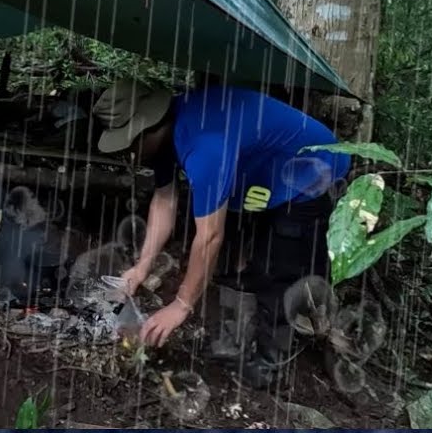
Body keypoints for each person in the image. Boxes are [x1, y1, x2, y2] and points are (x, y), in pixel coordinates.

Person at [91, 80, 351, 388]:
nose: (130, 153)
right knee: (238, 262)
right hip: (262, 173)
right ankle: (238, 338)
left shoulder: (205, 144)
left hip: (315, 166)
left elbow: (210, 236)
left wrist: (181, 305)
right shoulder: (167, 137)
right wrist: (142, 266)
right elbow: (164, 200)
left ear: (150, 127)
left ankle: (272, 364)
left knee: (279, 267)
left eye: (131, 144)